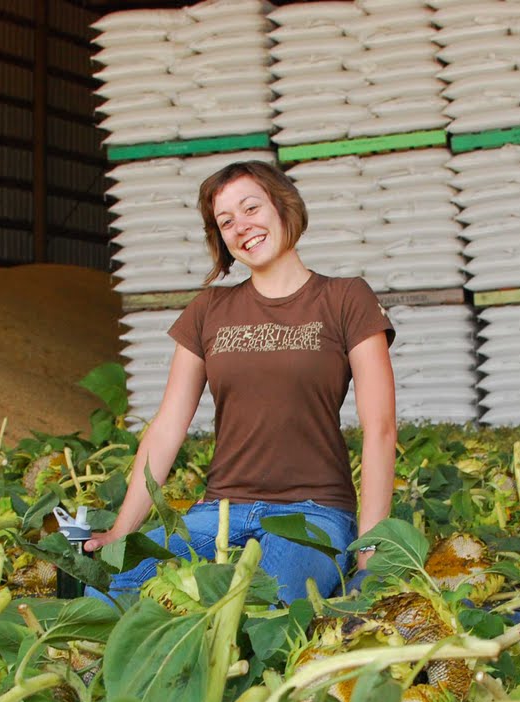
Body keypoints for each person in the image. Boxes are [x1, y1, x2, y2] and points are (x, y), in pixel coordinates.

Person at [85, 159, 398, 605]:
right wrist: (121, 531)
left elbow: (381, 429)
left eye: (251, 208)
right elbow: (168, 426)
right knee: (114, 592)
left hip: (314, 513)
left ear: (283, 206)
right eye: (225, 221)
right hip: (218, 513)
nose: (241, 227)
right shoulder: (209, 309)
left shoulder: (346, 298)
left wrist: (369, 550)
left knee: (266, 606)